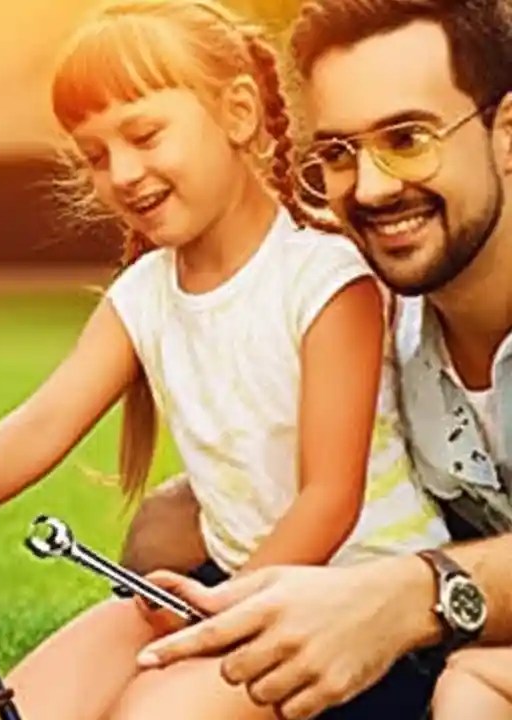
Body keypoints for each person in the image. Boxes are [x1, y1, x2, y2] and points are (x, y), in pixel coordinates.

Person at [0, 1, 450, 717]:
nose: (122, 172)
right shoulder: (147, 294)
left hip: (360, 619)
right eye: (96, 155)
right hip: (229, 584)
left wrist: (223, 618)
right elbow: (40, 425)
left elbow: (330, 500)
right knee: (25, 708)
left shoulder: (324, 279)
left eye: (145, 134)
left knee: (153, 708)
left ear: (239, 113)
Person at [128, 1, 512, 719]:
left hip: (473, 666)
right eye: (338, 154)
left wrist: (412, 594)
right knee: (167, 532)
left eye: (408, 138)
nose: (369, 188)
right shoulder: (384, 328)